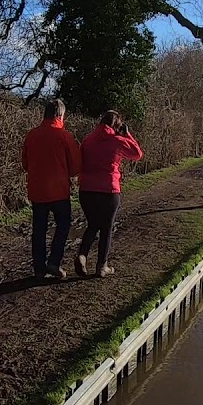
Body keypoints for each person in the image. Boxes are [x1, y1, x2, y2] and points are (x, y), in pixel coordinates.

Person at [77, 110, 143, 278]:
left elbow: (80, 161)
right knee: (106, 227)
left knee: (93, 224)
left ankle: (82, 255)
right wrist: (127, 135)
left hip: (86, 189)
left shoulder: (87, 140)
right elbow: (137, 154)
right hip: (108, 189)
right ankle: (102, 265)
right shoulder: (117, 141)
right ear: (117, 126)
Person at [21, 99, 81, 279]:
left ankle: (39, 268)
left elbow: (25, 164)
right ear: (60, 115)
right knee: (63, 226)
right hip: (59, 191)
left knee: (38, 230)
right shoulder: (64, 136)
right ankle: (54, 262)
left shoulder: (32, 135)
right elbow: (75, 167)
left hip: (37, 191)